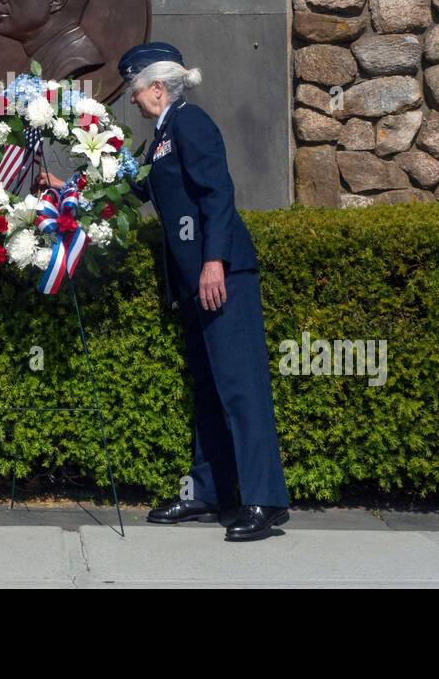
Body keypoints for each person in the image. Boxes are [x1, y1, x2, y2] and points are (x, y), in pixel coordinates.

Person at [119, 41, 290, 543]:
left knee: (241, 388)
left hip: (223, 276)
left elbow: (218, 191)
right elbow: (136, 189)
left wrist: (213, 260)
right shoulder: (162, 136)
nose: (131, 98)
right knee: (211, 391)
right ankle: (206, 491)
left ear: (156, 86)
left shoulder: (190, 122)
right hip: (197, 285)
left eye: (134, 88)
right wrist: (66, 186)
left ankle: (265, 501)